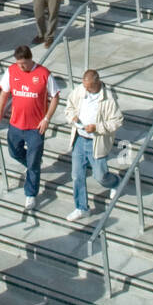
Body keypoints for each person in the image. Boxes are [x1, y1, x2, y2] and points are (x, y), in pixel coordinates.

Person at [0, 43, 61, 211]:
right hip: (16, 124)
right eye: (18, 63)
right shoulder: (12, 71)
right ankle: (31, 163)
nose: (20, 67)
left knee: (33, 164)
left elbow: (56, 97)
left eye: (23, 64)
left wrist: (47, 119)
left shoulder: (43, 74)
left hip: (36, 128)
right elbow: (4, 94)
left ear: (30, 59)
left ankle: (30, 193)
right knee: (14, 152)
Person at [64, 69, 122, 221]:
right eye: (84, 86)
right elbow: (69, 107)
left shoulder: (108, 99)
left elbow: (117, 121)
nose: (86, 89)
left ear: (97, 84)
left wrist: (97, 127)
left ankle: (115, 181)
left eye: (89, 87)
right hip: (80, 138)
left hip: (96, 142)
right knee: (77, 175)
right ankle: (81, 207)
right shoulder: (80, 91)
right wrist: (73, 118)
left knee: (100, 176)